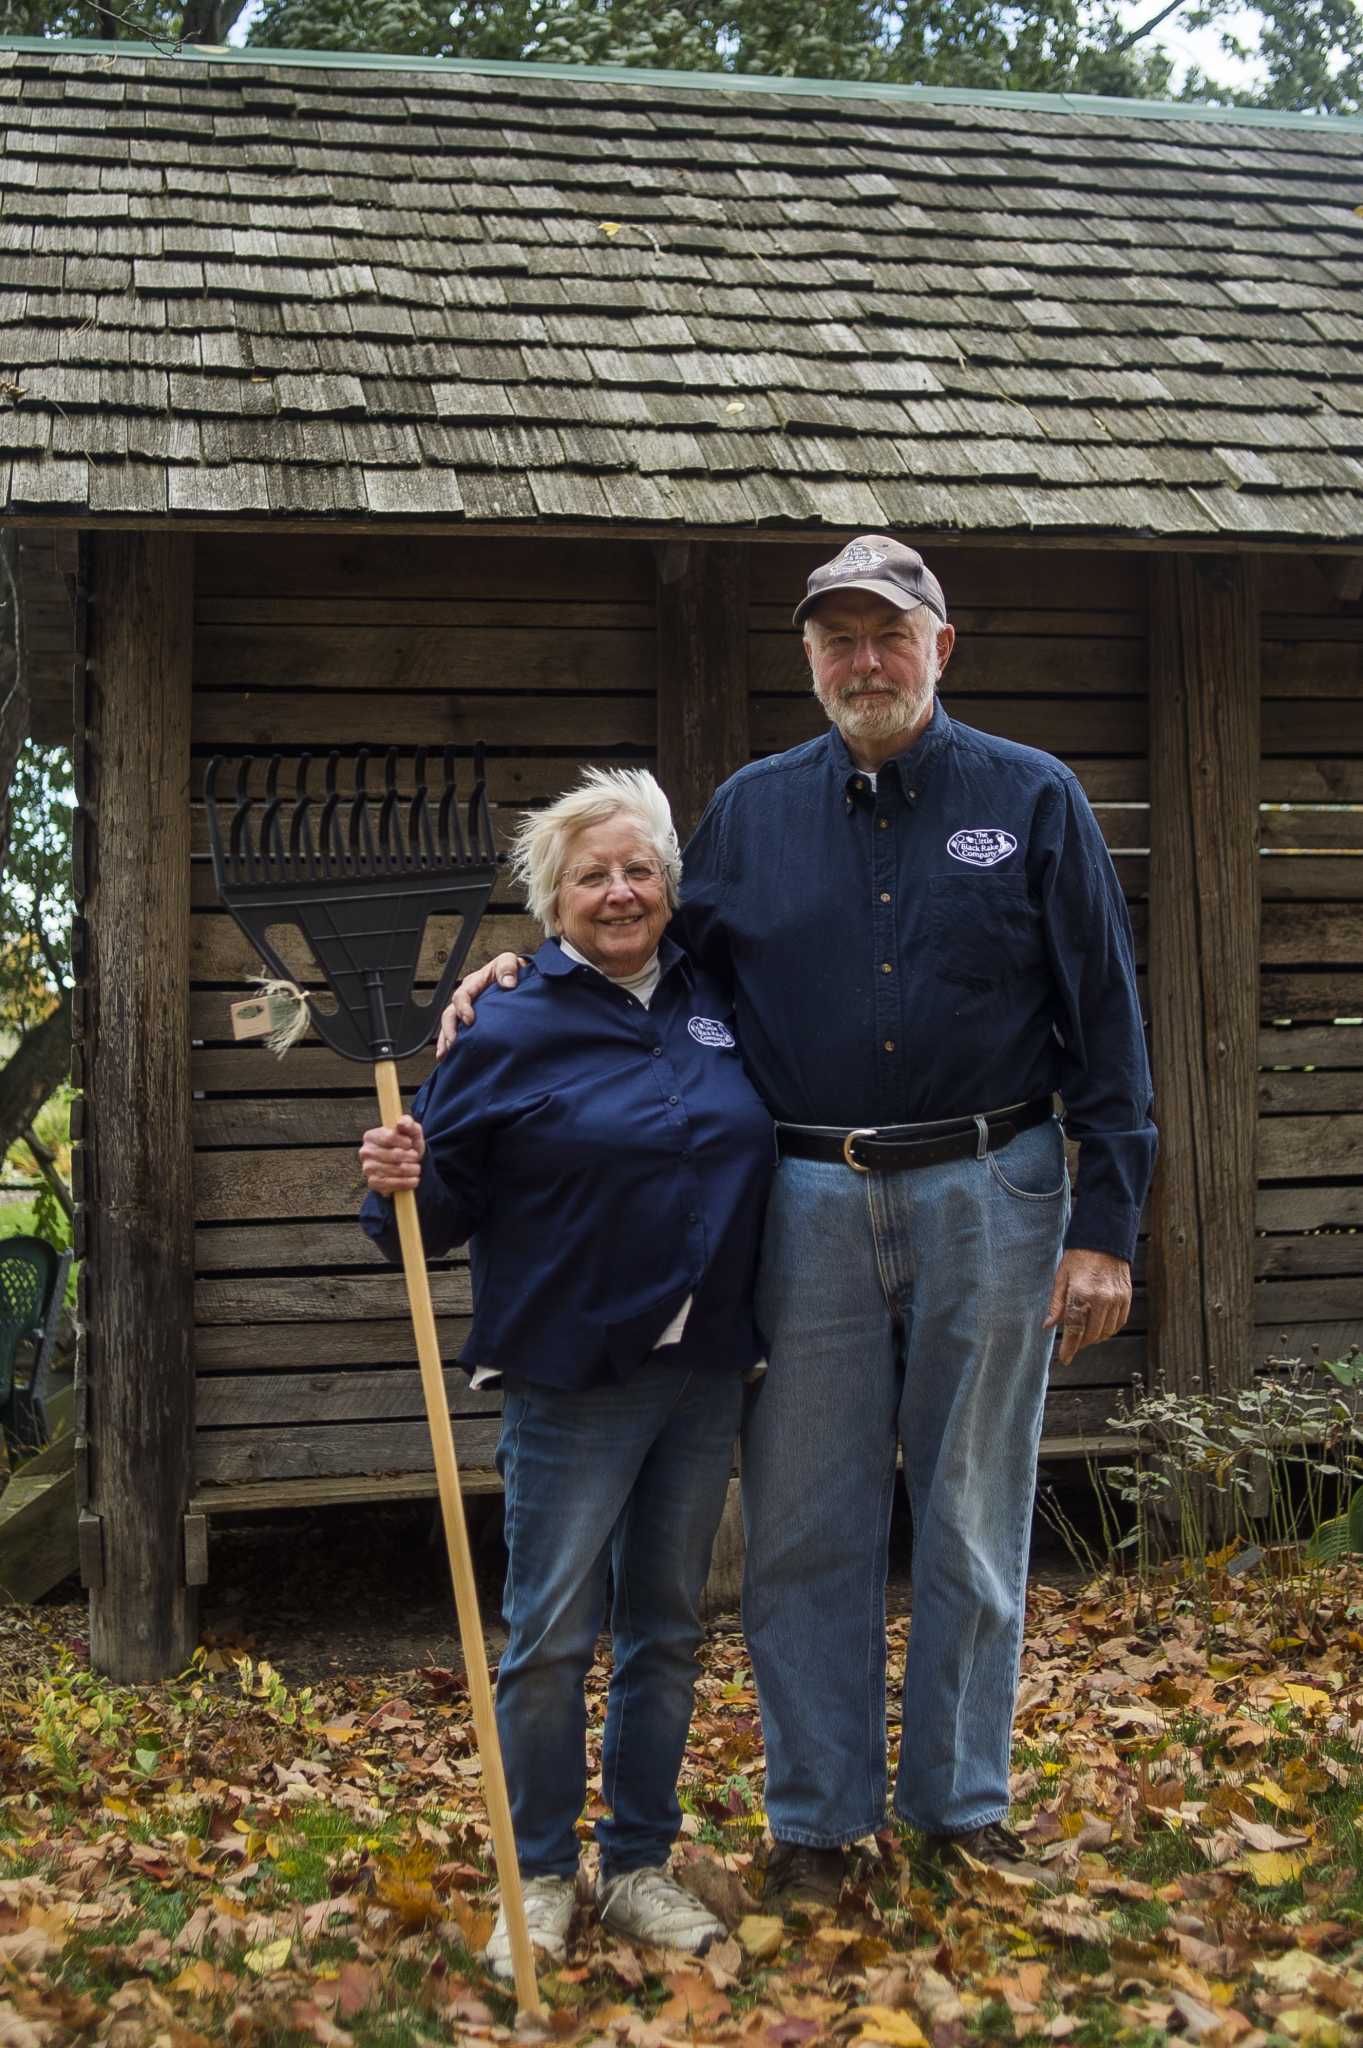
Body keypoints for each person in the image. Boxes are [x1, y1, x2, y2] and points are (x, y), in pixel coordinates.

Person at [440, 537, 1156, 1905]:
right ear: (808, 662)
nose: (863, 662)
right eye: (836, 640)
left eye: (887, 635)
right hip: (810, 1197)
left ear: (939, 646)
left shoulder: (1030, 800)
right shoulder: (750, 816)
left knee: (964, 1510)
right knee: (804, 1523)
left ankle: (958, 1812)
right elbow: (638, 952)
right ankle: (815, 1826)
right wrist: (518, 972)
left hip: (993, 1185)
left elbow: (1105, 1023)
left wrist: (1102, 1221)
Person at [358, 768, 774, 1978]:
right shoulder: (508, 1020)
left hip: (702, 1371)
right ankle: (538, 1872)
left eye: (639, 868)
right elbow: (424, 1218)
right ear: (549, 898)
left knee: (666, 1627)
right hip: (569, 1379)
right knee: (547, 1636)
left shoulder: (710, 991)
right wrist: (396, 1174)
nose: (619, 890)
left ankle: (637, 1860)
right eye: (590, 873)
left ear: (669, 886)